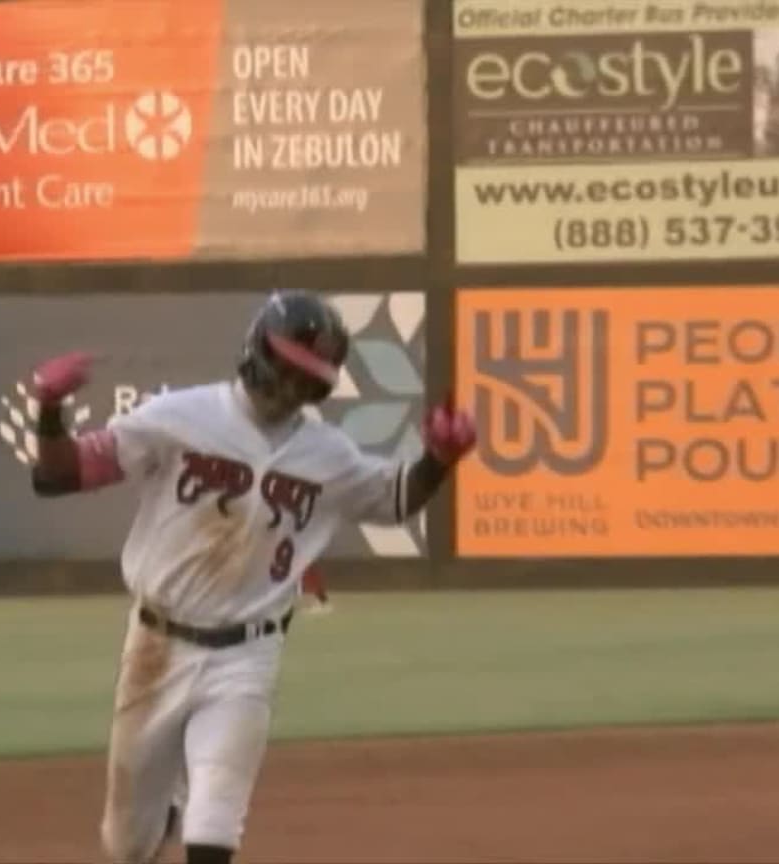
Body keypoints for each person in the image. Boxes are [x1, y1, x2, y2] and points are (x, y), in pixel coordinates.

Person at [29, 291, 475, 864]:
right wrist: (49, 408)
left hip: (247, 653)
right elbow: (62, 474)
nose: (290, 385)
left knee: (216, 818)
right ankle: (159, 818)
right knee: (126, 842)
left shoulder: (327, 453)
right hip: (156, 646)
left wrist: (438, 461)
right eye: (286, 367)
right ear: (258, 351)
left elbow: (392, 500)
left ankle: (190, 814)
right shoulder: (181, 417)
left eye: (306, 378)